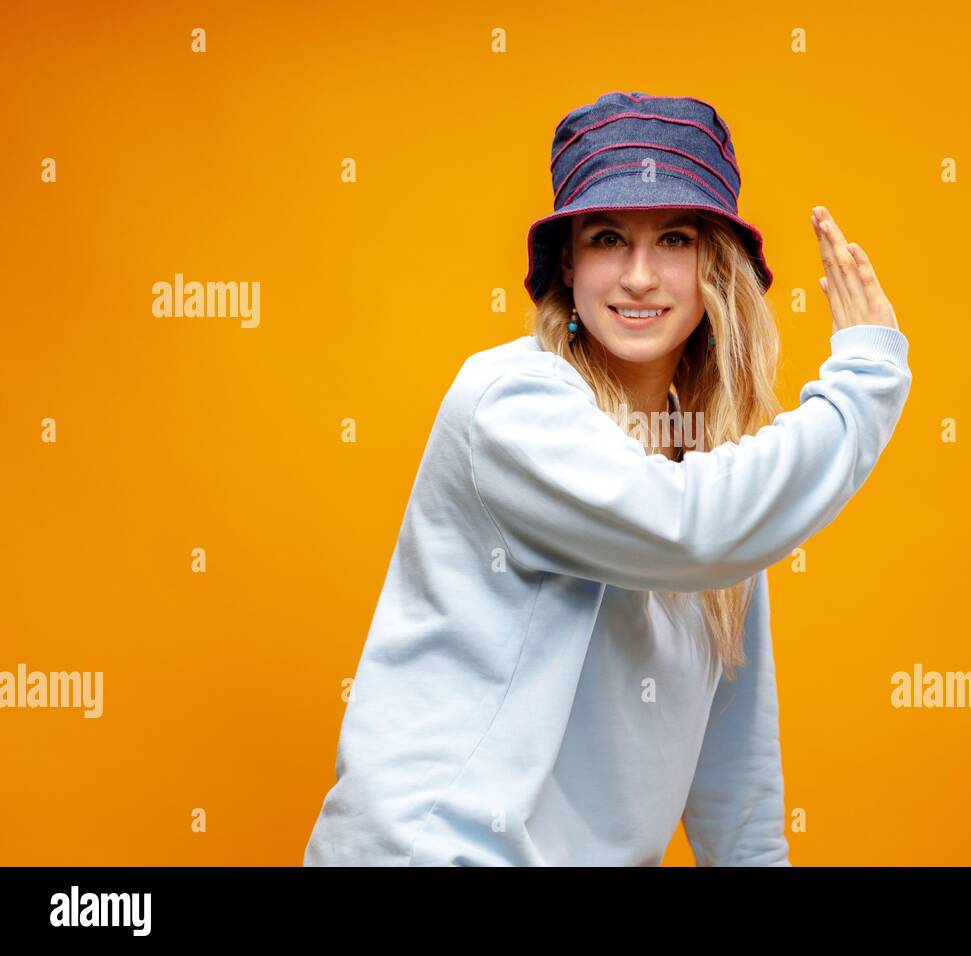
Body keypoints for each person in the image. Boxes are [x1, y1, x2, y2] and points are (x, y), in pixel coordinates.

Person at [303, 91, 912, 866]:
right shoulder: (509, 404)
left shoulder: (709, 479)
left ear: (715, 265)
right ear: (569, 262)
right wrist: (864, 383)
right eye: (607, 238)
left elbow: (739, 781)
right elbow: (691, 530)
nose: (638, 275)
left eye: (676, 238)